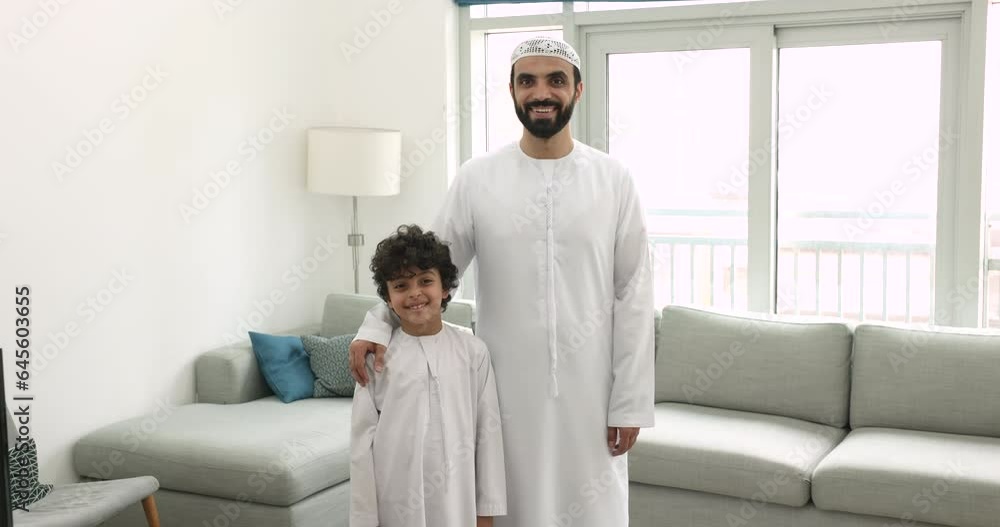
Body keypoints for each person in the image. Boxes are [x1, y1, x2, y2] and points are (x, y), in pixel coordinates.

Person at [351, 36, 654, 527]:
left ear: (577, 89)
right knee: (507, 503)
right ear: (512, 91)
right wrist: (376, 325)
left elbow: (634, 293)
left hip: (592, 390)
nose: (541, 92)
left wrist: (631, 400)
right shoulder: (478, 178)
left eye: (555, 80)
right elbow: (427, 273)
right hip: (501, 392)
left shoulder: (613, 179)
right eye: (527, 80)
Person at [349, 225, 507, 527]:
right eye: (401, 286)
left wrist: (485, 512)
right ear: (388, 296)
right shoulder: (376, 360)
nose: (415, 293)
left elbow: (488, 435)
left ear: (445, 287)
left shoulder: (473, 352)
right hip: (396, 497)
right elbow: (361, 446)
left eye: (425, 281)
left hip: (457, 500)